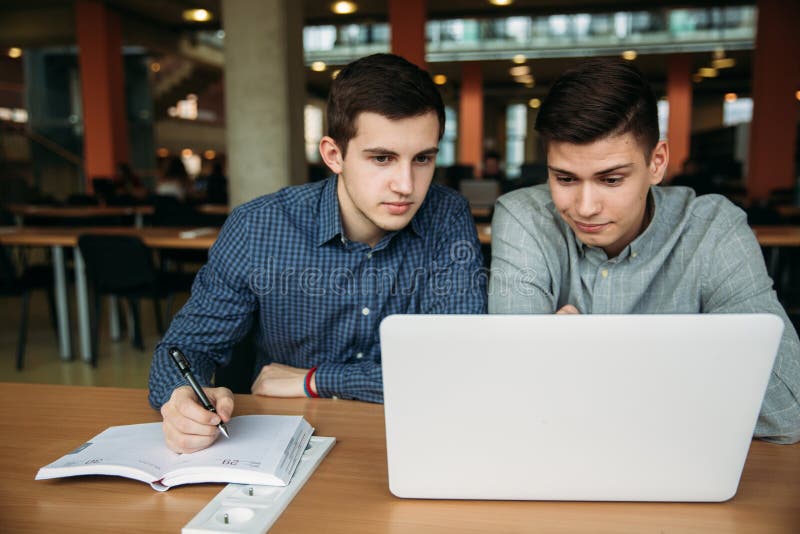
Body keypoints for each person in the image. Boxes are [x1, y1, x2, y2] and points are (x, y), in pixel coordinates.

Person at [149, 53, 487, 453]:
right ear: (333, 155)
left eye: (423, 159)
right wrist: (180, 400)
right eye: (382, 158)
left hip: (412, 442)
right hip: (283, 445)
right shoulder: (259, 227)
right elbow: (185, 348)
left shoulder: (446, 216)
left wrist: (315, 379)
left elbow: (457, 368)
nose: (406, 185)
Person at [488, 58, 800, 444]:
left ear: (657, 163)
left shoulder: (714, 230)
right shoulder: (523, 217)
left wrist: (596, 356)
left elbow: (786, 411)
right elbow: (518, 388)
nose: (585, 207)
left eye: (611, 179)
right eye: (564, 178)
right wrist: (697, 362)